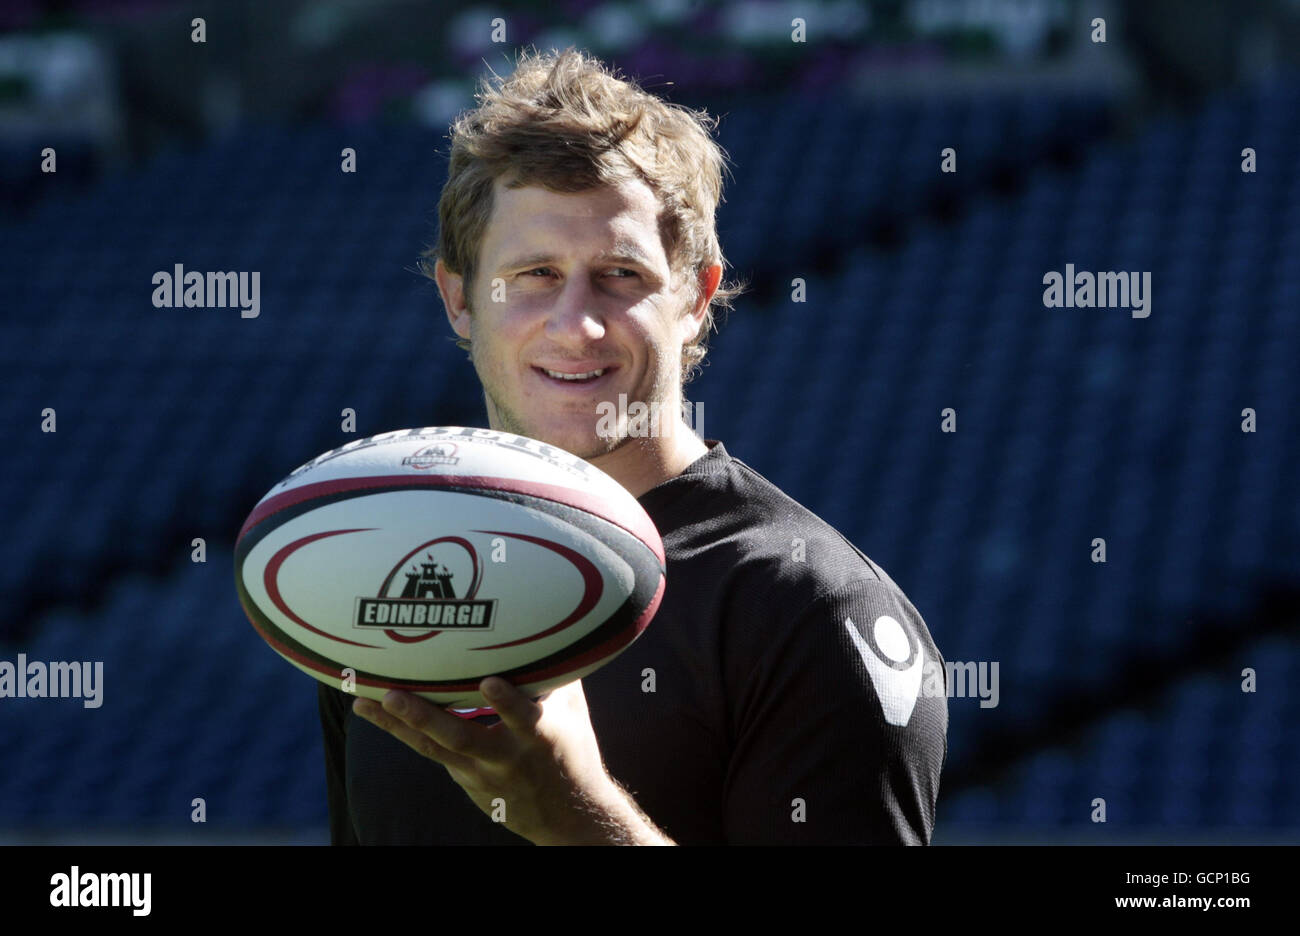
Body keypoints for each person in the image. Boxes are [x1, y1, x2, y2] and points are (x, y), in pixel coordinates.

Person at [317, 46, 947, 845]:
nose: (576, 323)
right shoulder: (381, 578)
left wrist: (575, 815)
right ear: (458, 299)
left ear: (695, 296)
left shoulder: (810, 611)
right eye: (536, 274)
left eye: (619, 274)